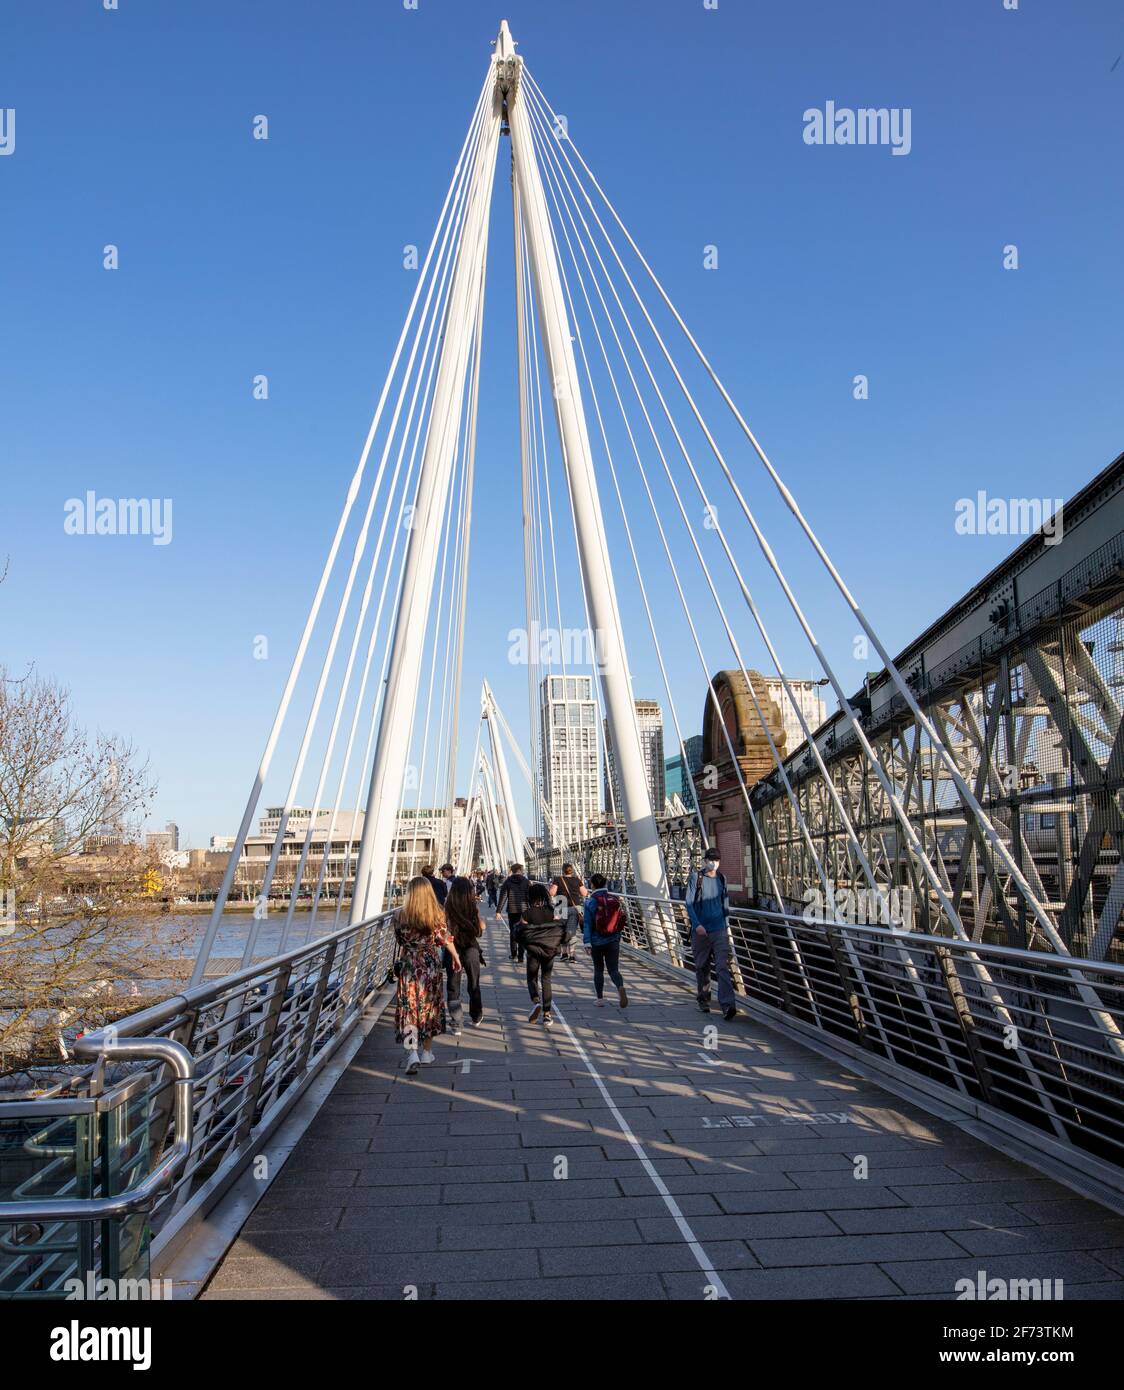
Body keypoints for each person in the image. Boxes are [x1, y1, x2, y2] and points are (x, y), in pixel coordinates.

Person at [394, 876, 461, 1074]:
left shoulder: (399, 916)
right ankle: (426, 1052)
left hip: (409, 965)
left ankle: (411, 1053)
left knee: (409, 1009)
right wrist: (456, 956)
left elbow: (401, 942)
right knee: (429, 1007)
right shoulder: (437, 915)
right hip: (430, 965)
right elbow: (445, 939)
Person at [686, 847, 736, 1020]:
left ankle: (727, 1005)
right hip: (700, 931)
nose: (714, 863)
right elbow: (689, 904)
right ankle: (703, 999)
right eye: (711, 860)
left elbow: (725, 901)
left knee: (722, 966)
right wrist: (696, 924)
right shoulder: (696, 878)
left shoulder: (722, 878)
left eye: (717, 860)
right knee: (702, 967)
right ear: (705, 860)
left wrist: (725, 921)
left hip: (719, 929)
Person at [515, 882, 565, 1026]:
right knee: (546, 979)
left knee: (532, 978)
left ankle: (536, 1001)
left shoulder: (527, 913)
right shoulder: (552, 911)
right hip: (549, 951)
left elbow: (521, 933)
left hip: (533, 952)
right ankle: (547, 1015)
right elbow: (559, 928)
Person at [582, 873, 629, 1009]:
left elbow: (587, 924)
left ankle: (600, 999)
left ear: (592, 885)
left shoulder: (590, 902)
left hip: (597, 941)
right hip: (613, 939)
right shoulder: (614, 899)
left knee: (598, 970)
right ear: (605, 884)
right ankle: (620, 987)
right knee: (614, 969)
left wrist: (587, 942)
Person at [444, 875, 485, 1030]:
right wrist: (477, 914)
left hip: (452, 950)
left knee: (453, 986)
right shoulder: (472, 907)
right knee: (474, 983)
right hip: (471, 950)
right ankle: (476, 1015)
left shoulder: (447, 907)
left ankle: (456, 1021)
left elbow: (445, 931)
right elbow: (481, 930)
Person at [549, 862, 586, 962]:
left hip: (561, 905)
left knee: (562, 930)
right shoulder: (577, 880)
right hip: (575, 907)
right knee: (572, 931)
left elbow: (552, 893)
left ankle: (564, 953)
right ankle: (572, 955)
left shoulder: (558, 879)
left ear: (563, 870)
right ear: (572, 870)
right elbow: (585, 893)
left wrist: (551, 886)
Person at [496, 863, 531, 962]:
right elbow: (530, 897)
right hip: (524, 910)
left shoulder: (508, 881)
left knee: (513, 932)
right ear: (520, 870)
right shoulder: (526, 881)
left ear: (512, 870)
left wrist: (498, 911)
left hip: (512, 910)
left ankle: (513, 954)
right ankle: (521, 956)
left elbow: (503, 897)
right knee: (523, 932)